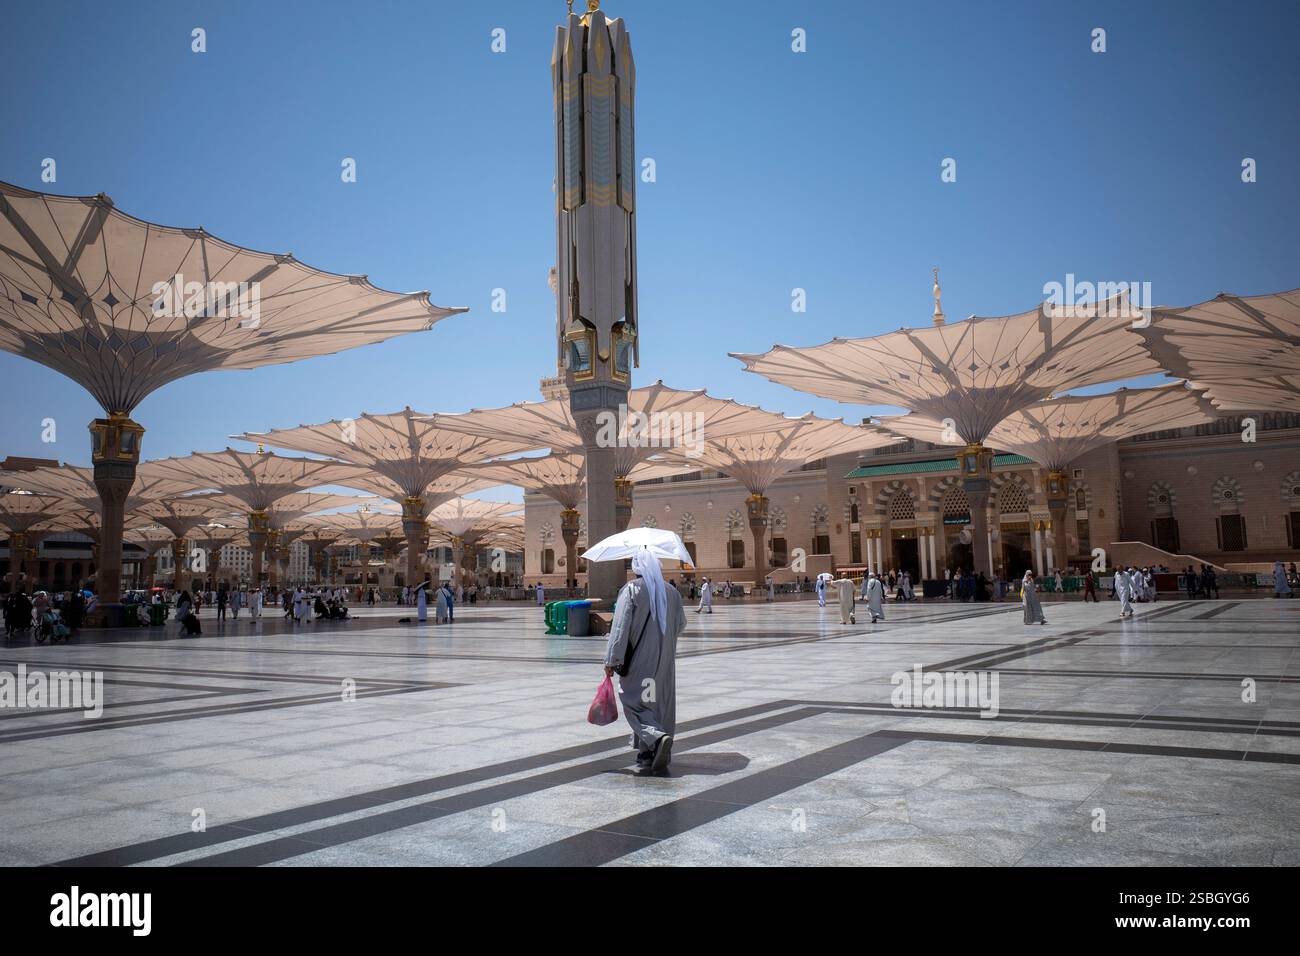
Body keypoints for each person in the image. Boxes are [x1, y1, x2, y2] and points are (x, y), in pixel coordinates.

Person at [603, 549, 687, 775]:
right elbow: (681, 625)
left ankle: (656, 738)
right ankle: (649, 751)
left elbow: (620, 629)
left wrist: (612, 659)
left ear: (636, 567)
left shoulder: (631, 590)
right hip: (665, 660)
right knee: (658, 701)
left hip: (640, 660)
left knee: (633, 700)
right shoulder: (671, 591)